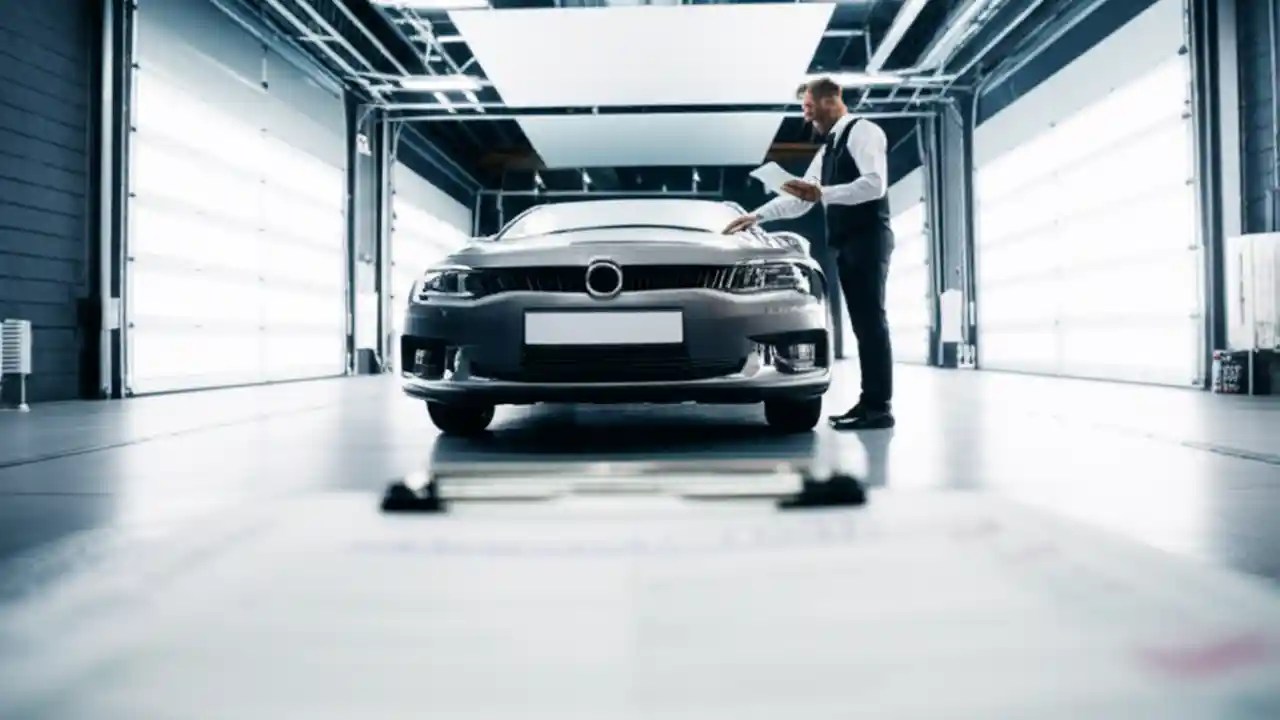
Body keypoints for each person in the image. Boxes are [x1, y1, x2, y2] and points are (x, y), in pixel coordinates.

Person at [723, 76, 895, 430]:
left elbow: (875, 184)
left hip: (868, 237)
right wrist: (757, 215)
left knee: (871, 324)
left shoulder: (864, 132)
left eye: (809, 108)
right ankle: (869, 403)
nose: (807, 117)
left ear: (832, 99)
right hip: (847, 241)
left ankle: (879, 407)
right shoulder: (827, 148)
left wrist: (823, 194)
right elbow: (800, 199)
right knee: (864, 325)